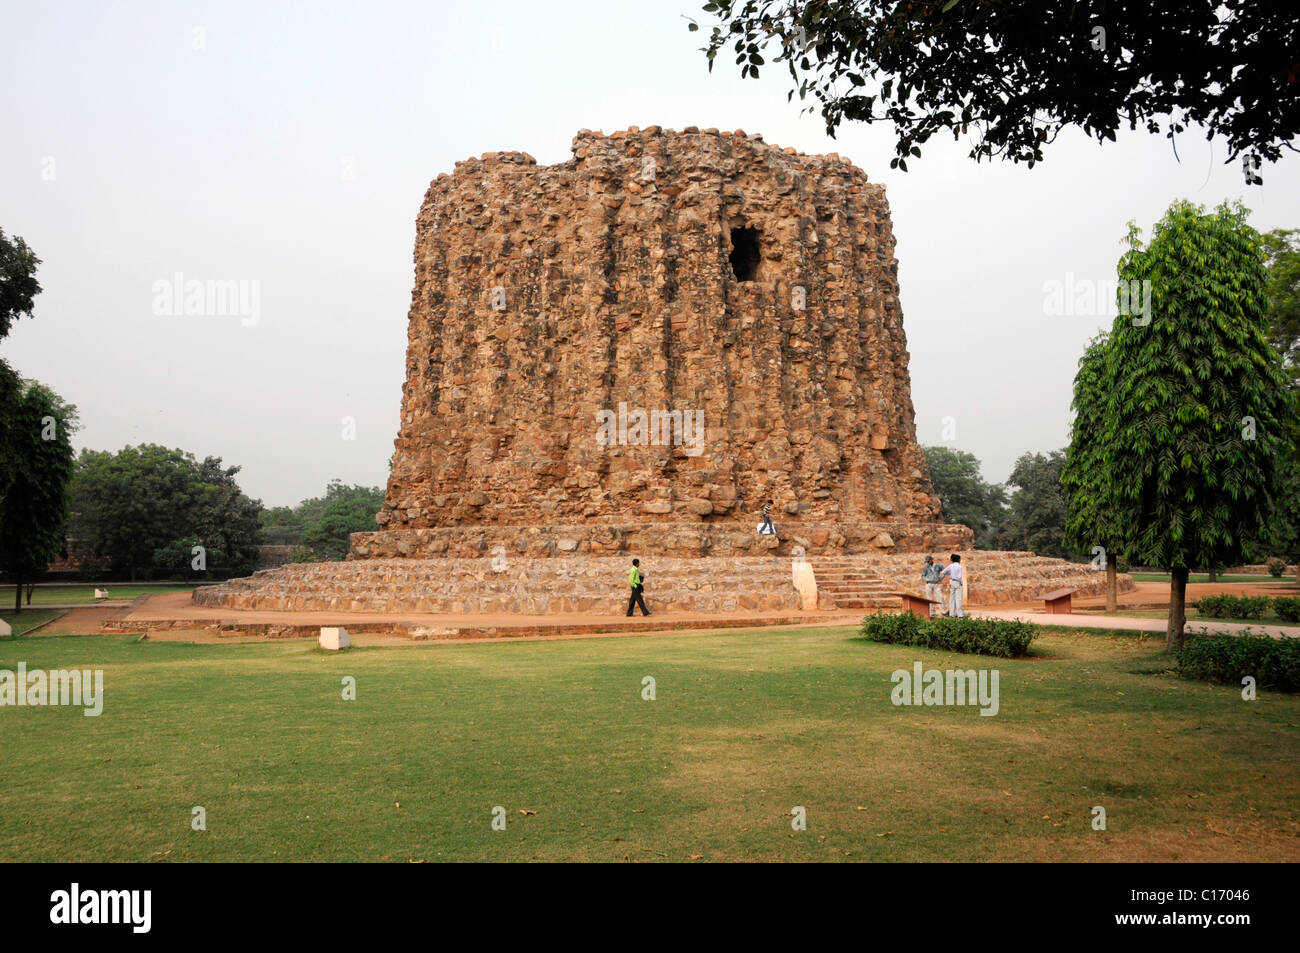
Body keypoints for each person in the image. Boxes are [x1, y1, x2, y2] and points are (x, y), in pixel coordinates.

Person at [939, 553, 965, 618]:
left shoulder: (950, 566)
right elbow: (959, 577)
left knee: (952, 598)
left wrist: (949, 573)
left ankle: (951, 614)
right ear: (958, 560)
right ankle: (960, 615)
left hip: (952, 582)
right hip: (958, 582)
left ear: (952, 560)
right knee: (958, 599)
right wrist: (961, 583)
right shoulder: (959, 566)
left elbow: (943, 572)